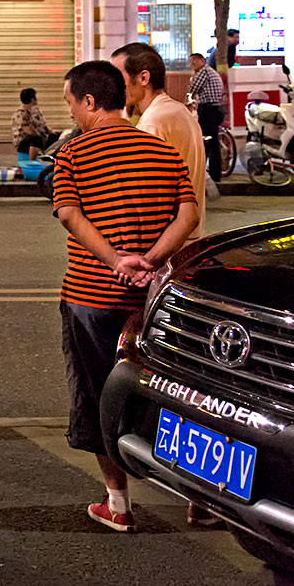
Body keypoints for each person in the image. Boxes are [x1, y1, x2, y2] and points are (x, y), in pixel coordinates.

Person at [52, 60, 198, 534]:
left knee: (97, 392)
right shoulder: (160, 148)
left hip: (91, 295)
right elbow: (189, 213)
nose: (71, 111)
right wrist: (152, 259)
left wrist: (117, 259)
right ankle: (198, 496)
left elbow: (70, 215)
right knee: (170, 395)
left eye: (72, 101)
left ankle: (118, 503)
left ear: (89, 101)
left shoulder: (73, 152)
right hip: (153, 298)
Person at [112, 43, 207, 236]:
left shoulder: (153, 123)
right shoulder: (178, 110)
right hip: (188, 237)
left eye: (118, 78)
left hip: (166, 243)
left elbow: (144, 196)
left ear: (143, 78)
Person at [188, 52, 226, 184]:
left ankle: (210, 174)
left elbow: (193, 89)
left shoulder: (204, 72)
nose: (192, 65)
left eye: (194, 62)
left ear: (202, 61)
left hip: (209, 110)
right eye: (190, 63)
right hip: (217, 109)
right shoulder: (211, 71)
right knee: (212, 140)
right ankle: (211, 172)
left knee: (207, 141)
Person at [11, 88, 59, 159]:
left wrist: (52, 132)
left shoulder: (34, 111)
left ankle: (53, 158)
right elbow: (30, 131)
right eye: (35, 97)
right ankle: (32, 161)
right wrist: (42, 137)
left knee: (55, 136)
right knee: (36, 139)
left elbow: (43, 126)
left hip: (37, 138)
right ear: (32, 99)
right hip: (24, 143)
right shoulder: (21, 114)